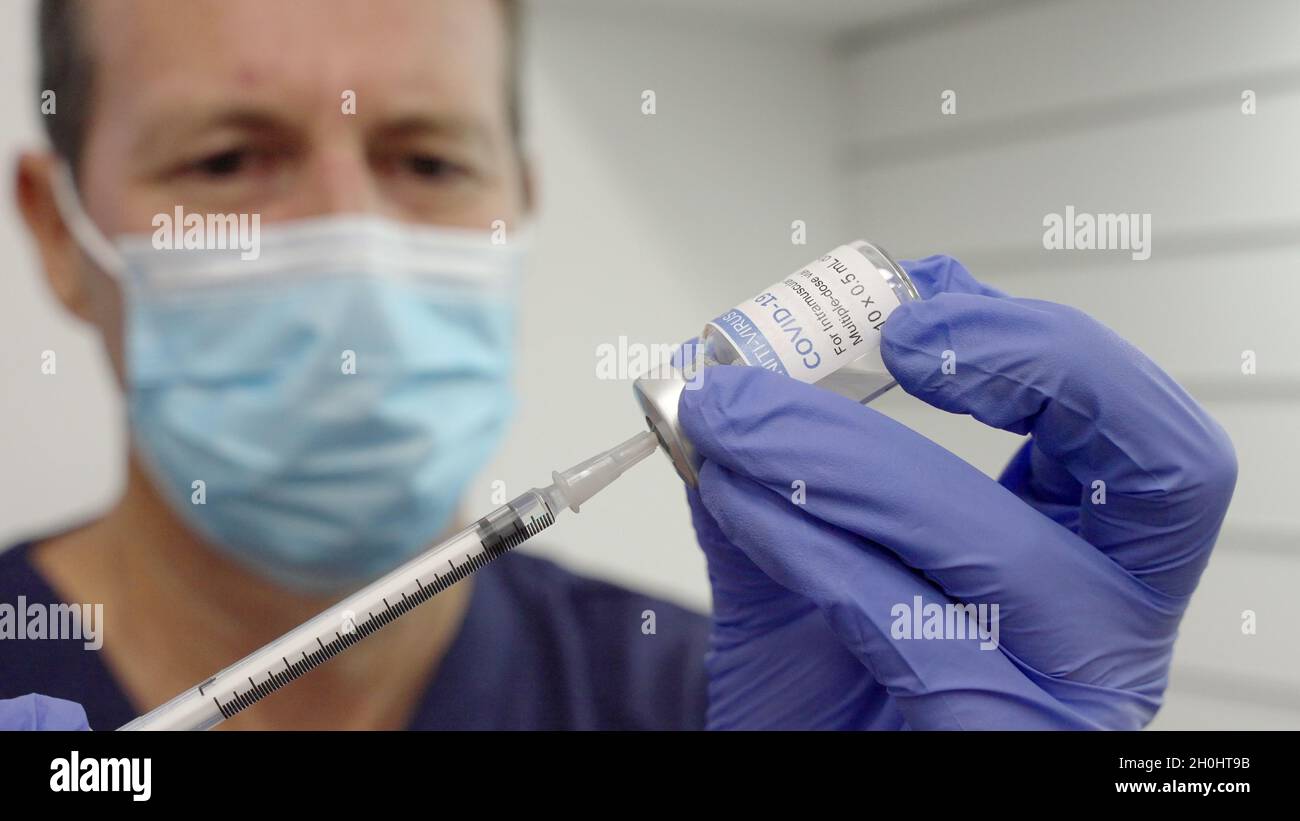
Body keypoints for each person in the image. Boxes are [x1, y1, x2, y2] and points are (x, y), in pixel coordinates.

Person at [1, 0, 1236, 731]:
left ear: (518, 201)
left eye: (428, 161)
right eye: (226, 160)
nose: (362, 256)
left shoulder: (705, 695)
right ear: (59, 234)